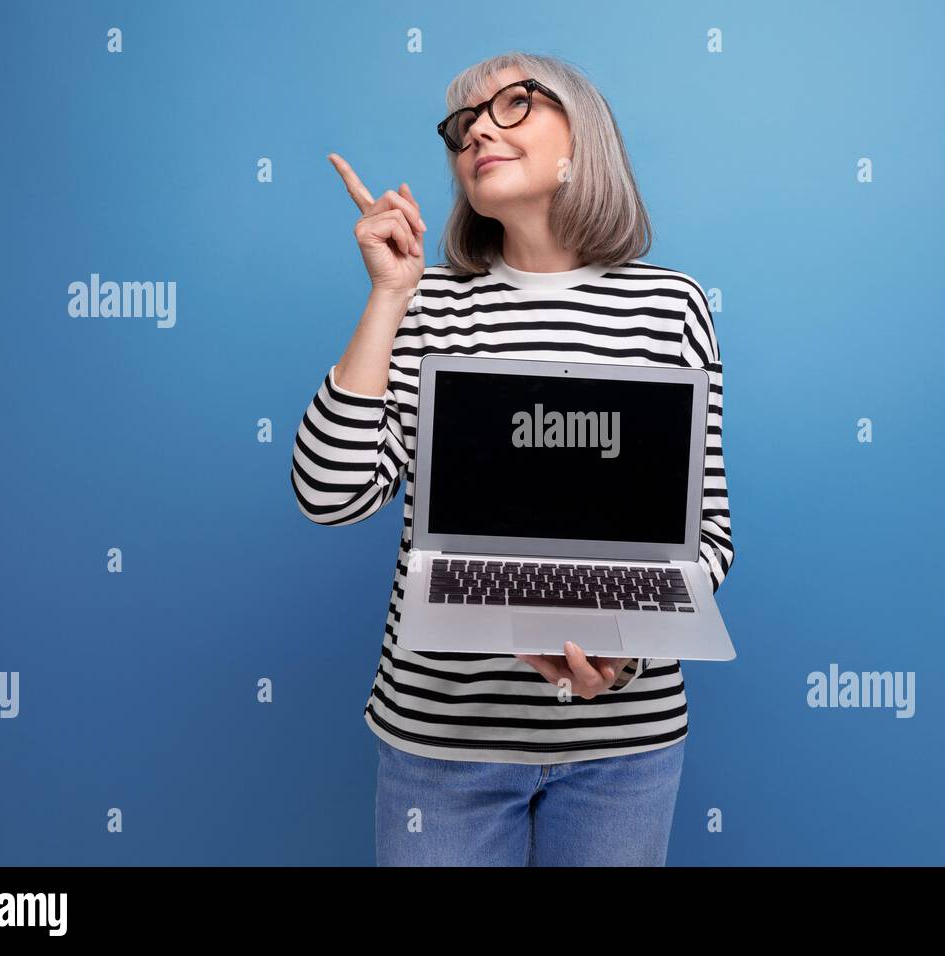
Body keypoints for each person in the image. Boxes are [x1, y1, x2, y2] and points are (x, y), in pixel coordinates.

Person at [290, 51, 734, 866]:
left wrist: (623, 649)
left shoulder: (672, 306)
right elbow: (330, 492)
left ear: (581, 140)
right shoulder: (425, 303)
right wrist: (390, 296)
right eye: (463, 125)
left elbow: (707, 538)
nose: (478, 132)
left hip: (623, 746)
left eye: (513, 104)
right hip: (443, 738)